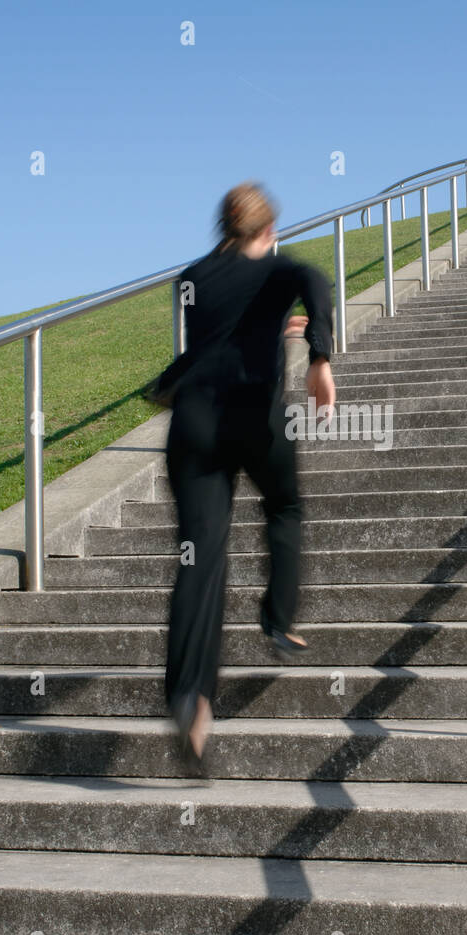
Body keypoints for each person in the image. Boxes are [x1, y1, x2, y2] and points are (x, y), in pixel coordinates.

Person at [153, 182, 335, 765]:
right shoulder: (276, 270)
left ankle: (191, 696)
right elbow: (316, 280)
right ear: (268, 231)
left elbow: (214, 336)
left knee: (199, 557)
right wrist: (319, 357)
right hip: (255, 419)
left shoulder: (192, 278)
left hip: (194, 425)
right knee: (284, 506)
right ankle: (278, 619)